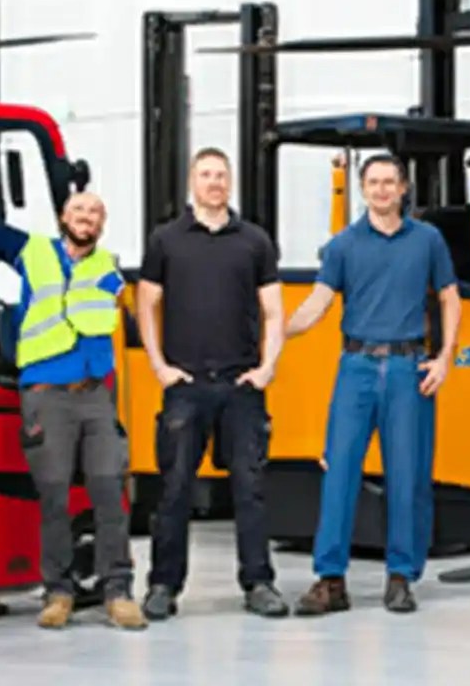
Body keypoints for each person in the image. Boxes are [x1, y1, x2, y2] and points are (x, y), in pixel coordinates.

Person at [0, 192, 147, 631]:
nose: (86, 217)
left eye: (94, 212)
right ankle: (59, 592)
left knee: (108, 489)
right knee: (54, 495)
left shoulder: (108, 268)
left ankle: (118, 591)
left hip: (95, 393)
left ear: (102, 223)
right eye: (79, 210)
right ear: (63, 217)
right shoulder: (33, 252)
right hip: (47, 393)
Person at [284, 152, 461, 615]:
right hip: (356, 367)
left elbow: (450, 298)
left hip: (409, 368)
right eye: (374, 183)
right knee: (339, 470)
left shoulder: (427, 240)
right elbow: (318, 302)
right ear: (362, 190)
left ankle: (401, 577)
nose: (381, 190)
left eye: (389, 182)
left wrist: (445, 358)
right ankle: (330, 580)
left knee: (408, 475)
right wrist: (277, 332)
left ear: (403, 188)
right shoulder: (342, 246)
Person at [135, 147, 289, 619]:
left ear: (231, 181)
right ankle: (163, 586)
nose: (215, 182)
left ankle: (259, 582)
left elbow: (274, 310)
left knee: (250, 488)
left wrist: (267, 367)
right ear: (192, 182)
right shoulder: (166, 240)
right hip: (185, 385)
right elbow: (146, 304)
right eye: (206, 174)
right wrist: (159, 366)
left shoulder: (255, 241)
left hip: (242, 385)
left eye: (221, 174)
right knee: (175, 489)